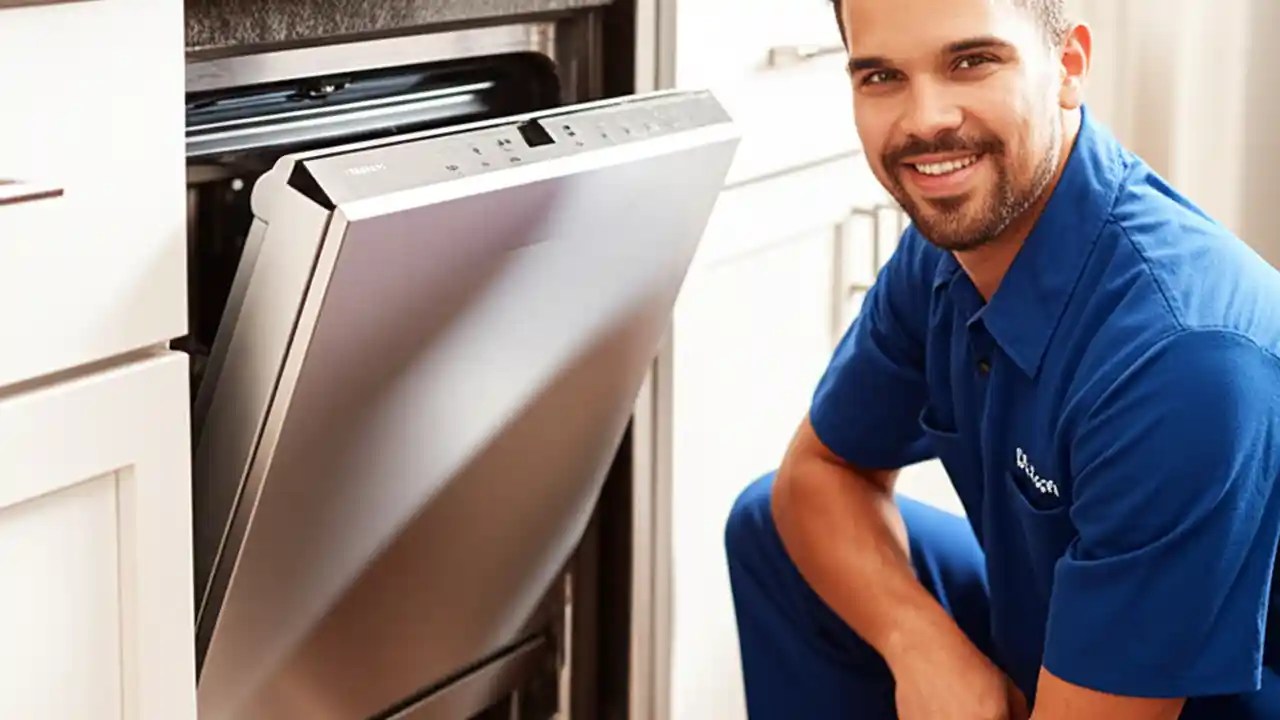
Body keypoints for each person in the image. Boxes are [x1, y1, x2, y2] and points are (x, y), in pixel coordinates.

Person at [723, 0, 1280, 718]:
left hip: (1207, 692)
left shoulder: (1181, 362)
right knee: (770, 528)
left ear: (1068, 65)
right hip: (1069, 628)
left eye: (971, 61)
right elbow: (817, 478)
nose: (926, 119)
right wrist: (919, 645)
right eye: (882, 75)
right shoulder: (954, 245)